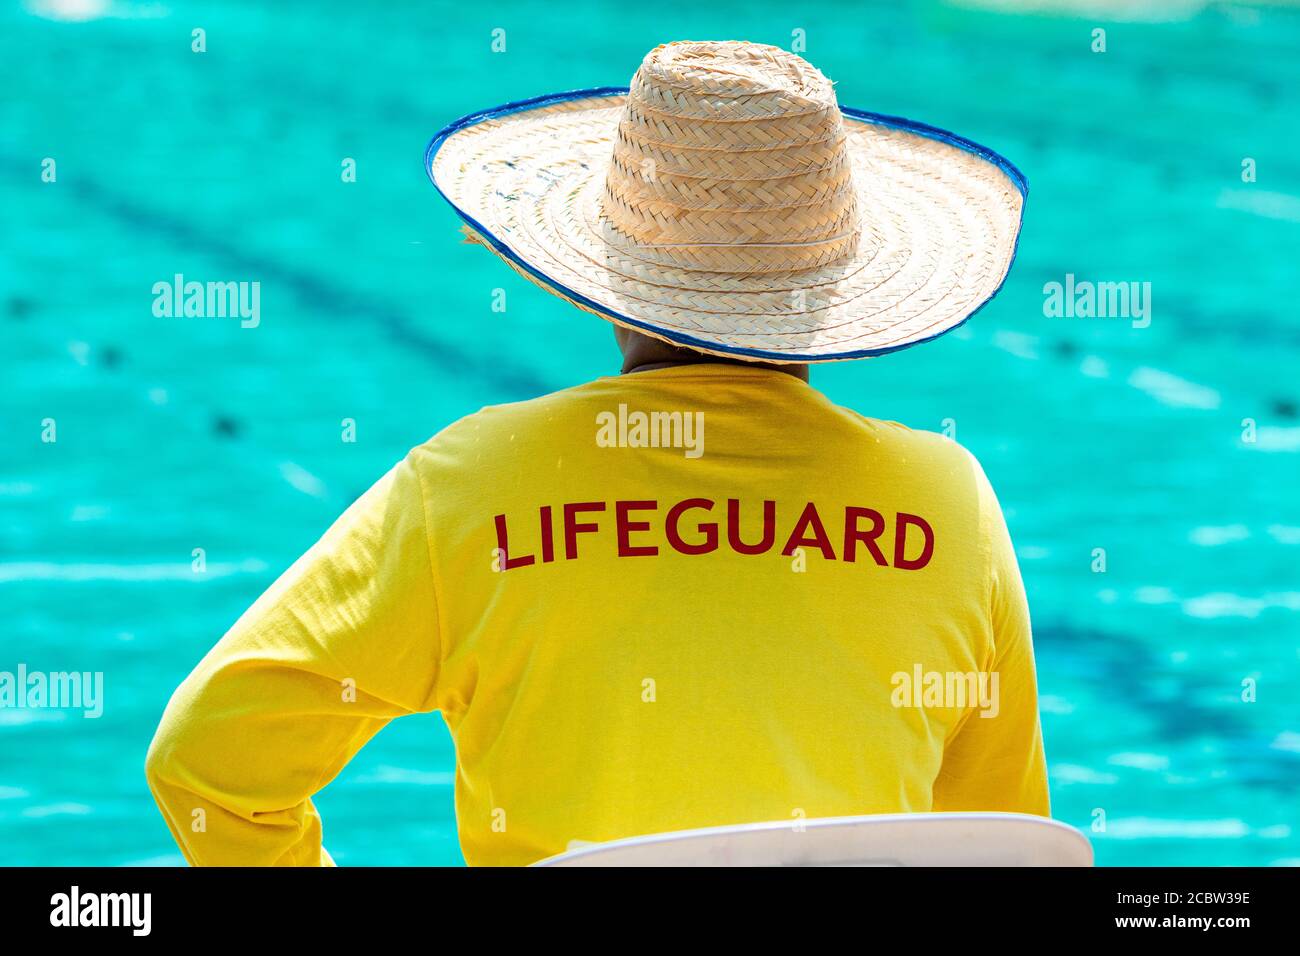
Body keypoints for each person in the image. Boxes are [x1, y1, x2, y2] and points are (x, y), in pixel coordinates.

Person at [146, 40, 1046, 867]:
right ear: (836, 284)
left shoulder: (473, 481)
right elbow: (995, 842)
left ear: (601, 274)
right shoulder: (946, 501)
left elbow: (207, 766)